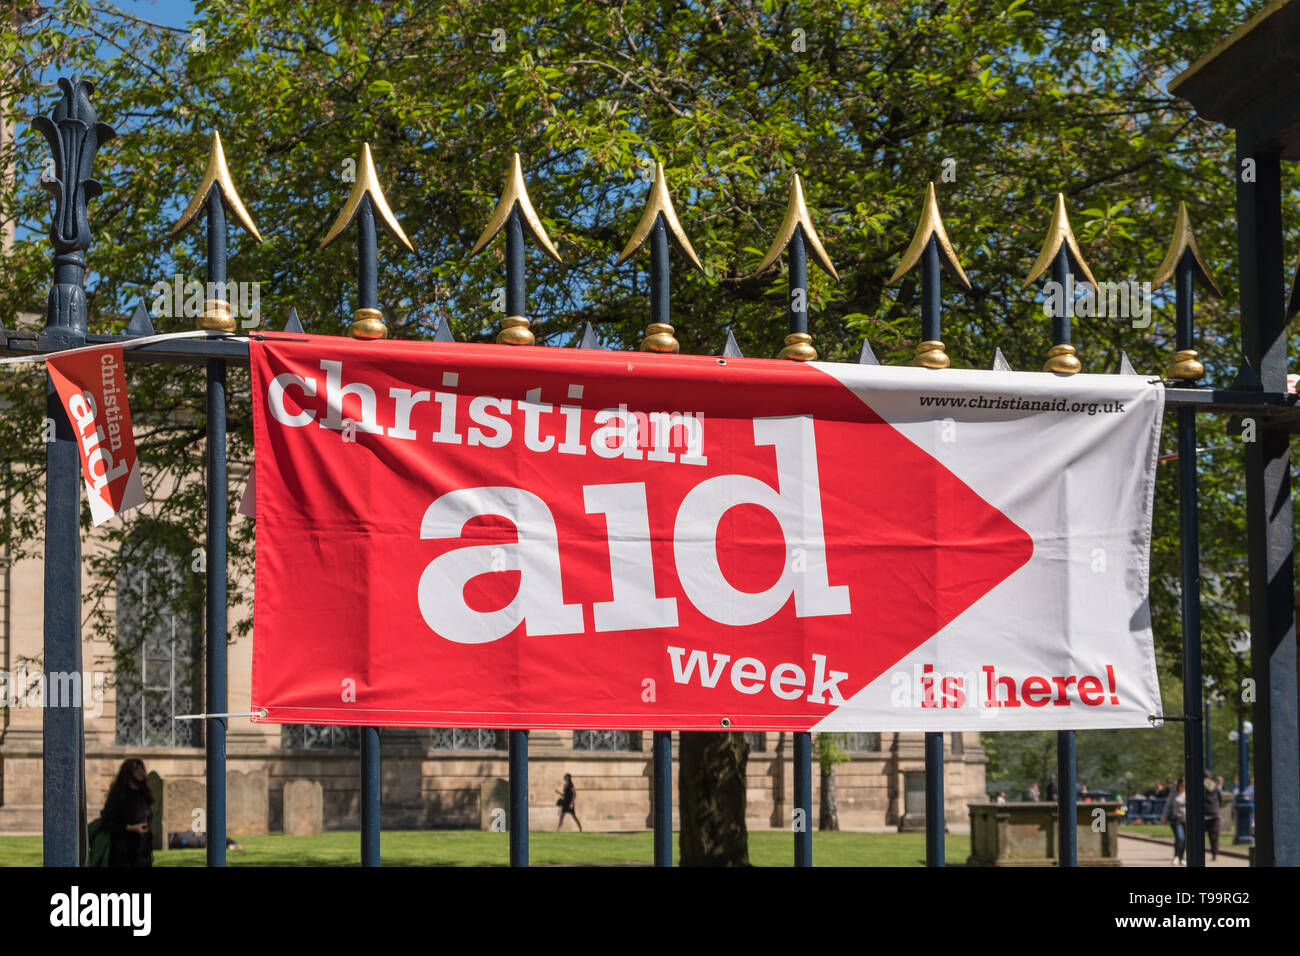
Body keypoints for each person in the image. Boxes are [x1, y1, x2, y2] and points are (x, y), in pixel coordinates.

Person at [99, 758, 153, 867]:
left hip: (143, 853)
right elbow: (106, 822)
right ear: (128, 772)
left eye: (142, 768)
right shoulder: (118, 794)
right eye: (137, 769)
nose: (141, 772)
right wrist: (130, 828)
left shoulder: (144, 794)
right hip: (123, 853)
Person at [1161, 777, 1187, 865]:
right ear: (1179, 784)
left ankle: (1182, 857)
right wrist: (1164, 816)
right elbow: (1167, 805)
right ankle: (1176, 856)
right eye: (1182, 784)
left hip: (1186, 820)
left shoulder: (1190, 793)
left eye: (1185, 784)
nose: (1183, 785)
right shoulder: (1174, 793)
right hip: (1176, 819)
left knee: (1185, 839)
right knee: (1180, 837)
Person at [1203, 772, 1222, 861]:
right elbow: (1220, 799)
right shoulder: (1215, 787)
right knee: (1214, 836)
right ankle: (1214, 854)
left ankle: (1199, 855)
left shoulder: (1201, 786)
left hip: (1205, 814)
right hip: (1215, 813)